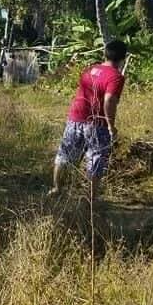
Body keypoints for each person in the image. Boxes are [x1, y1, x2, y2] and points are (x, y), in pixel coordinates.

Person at [49, 40, 128, 199]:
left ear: (105, 53)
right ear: (123, 58)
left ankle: (57, 188)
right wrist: (111, 126)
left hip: (75, 117)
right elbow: (109, 100)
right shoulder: (116, 76)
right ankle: (90, 200)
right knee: (96, 161)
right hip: (97, 123)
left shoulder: (89, 70)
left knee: (64, 155)